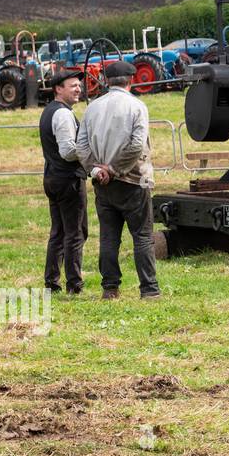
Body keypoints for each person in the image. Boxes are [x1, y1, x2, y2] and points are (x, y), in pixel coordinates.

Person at [75, 59, 160, 300]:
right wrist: (114, 169)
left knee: (109, 238)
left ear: (107, 81)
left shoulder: (92, 108)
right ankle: (150, 290)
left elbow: (81, 147)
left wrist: (96, 171)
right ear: (131, 80)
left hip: (104, 184)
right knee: (143, 237)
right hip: (133, 180)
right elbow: (136, 145)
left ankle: (110, 289)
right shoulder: (137, 106)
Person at [40, 69, 87, 294]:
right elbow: (68, 151)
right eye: (73, 86)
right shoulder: (63, 114)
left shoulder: (48, 111)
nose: (78, 89)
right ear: (59, 89)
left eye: (79, 85)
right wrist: (89, 151)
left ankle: (51, 282)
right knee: (75, 232)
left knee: (58, 231)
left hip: (52, 177)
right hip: (67, 179)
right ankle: (74, 285)